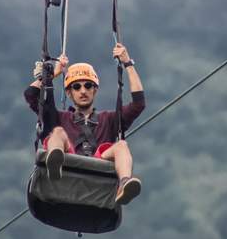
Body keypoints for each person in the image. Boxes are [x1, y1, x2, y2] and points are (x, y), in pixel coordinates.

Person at [25, 43, 145, 206]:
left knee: (121, 145)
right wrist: (52, 74)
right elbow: (31, 95)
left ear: (95, 90)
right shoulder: (58, 117)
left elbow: (139, 104)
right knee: (57, 132)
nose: (83, 91)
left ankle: (124, 183)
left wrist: (128, 63)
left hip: (98, 166)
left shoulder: (109, 120)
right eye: (77, 86)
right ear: (69, 92)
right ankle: (54, 163)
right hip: (67, 162)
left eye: (88, 86)